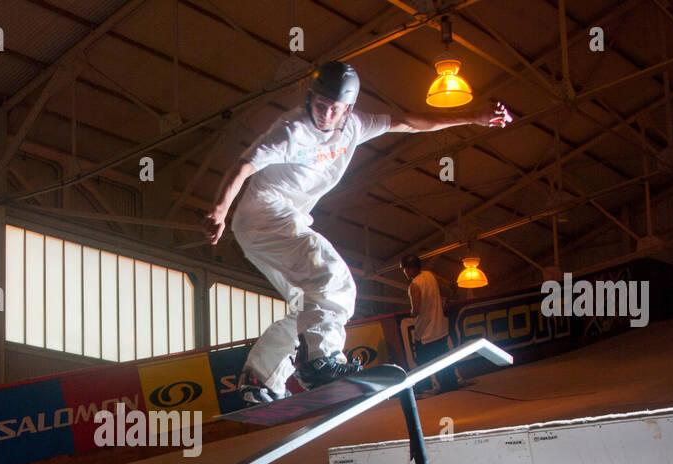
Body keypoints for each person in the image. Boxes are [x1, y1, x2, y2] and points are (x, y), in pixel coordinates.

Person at [204, 61, 512, 404]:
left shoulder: (356, 125)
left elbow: (409, 121)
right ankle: (321, 361)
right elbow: (245, 164)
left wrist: (473, 116)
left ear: (347, 109)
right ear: (310, 99)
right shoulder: (292, 129)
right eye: (320, 105)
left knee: (309, 304)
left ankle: (260, 380)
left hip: (277, 224)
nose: (325, 114)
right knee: (333, 278)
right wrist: (220, 207)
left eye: (334, 109)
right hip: (266, 216)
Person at [402, 254, 459, 395]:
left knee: (426, 361)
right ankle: (451, 383)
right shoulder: (429, 275)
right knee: (444, 356)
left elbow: (416, 310)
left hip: (426, 332)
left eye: (404, 269)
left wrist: (410, 313)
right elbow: (450, 284)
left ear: (409, 269)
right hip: (440, 327)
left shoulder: (414, 285)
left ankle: (430, 387)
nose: (404, 272)